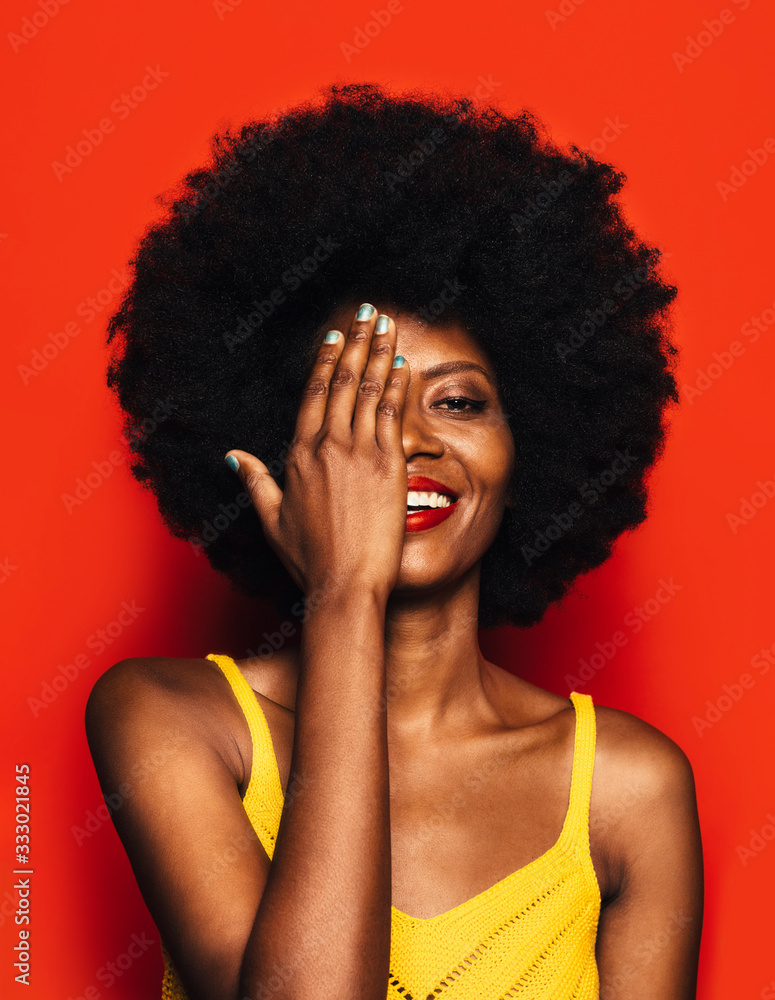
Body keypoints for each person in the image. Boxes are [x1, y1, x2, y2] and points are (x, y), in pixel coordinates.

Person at [85, 82, 704, 1000]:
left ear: (527, 446)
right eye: (355, 402)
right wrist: (345, 594)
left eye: (458, 401)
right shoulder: (175, 721)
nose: (406, 439)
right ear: (282, 449)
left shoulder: (628, 788)